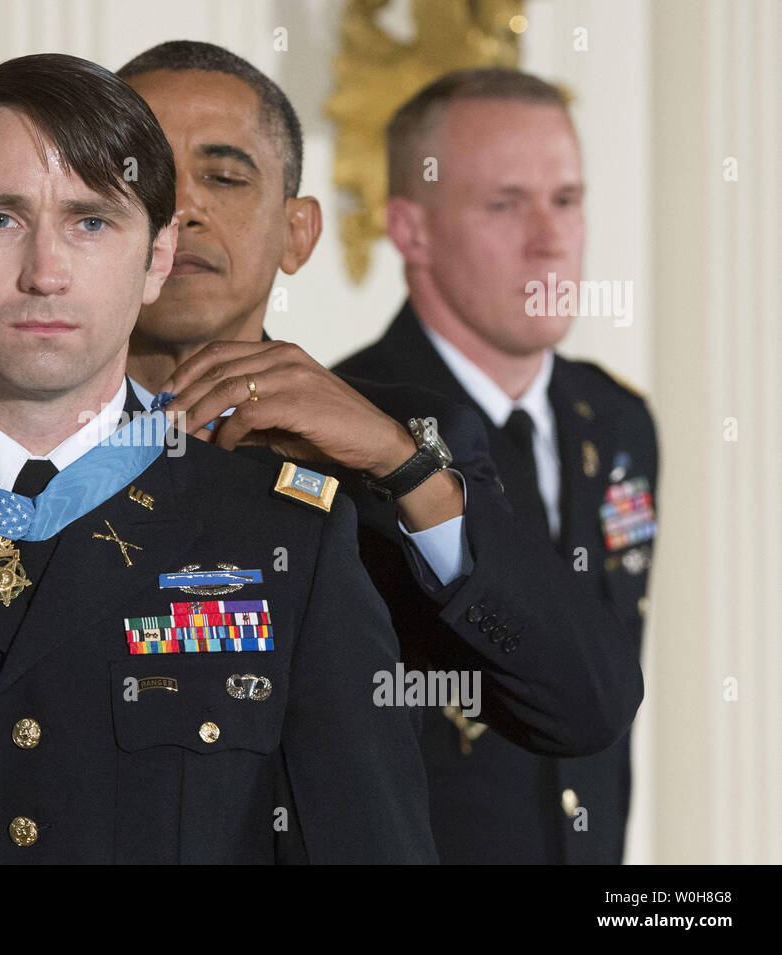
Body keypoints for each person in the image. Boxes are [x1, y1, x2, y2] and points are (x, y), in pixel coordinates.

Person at [0, 43, 642, 860]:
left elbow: (580, 701)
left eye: (223, 177)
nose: (182, 210)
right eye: (143, 167)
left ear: (296, 232)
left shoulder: (367, 452)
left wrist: (403, 468)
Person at [333, 67, 659, 864]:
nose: (550, 238)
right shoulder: (347, 428)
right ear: (410, 230)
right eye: (506, 204)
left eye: (567, 200)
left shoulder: (615, 421)